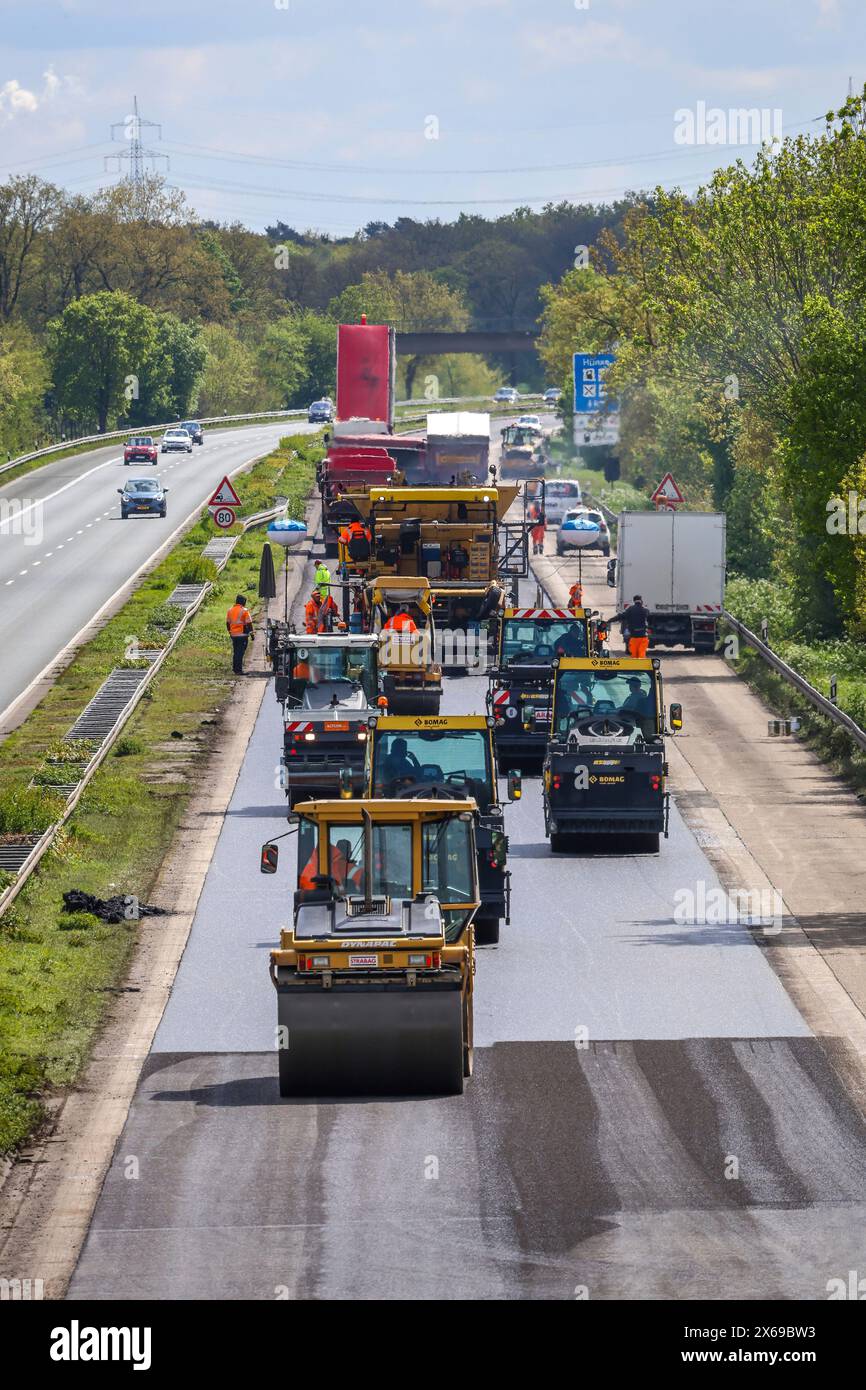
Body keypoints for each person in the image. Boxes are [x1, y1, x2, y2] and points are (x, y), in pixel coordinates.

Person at [612, 594, 651, 659]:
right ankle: (641, 667)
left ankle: (635, 667)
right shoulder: (645, 610)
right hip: (643, 637)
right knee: (641, 655)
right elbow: (649, 619)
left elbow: (620, 617)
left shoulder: (630, 610)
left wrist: (609, 620)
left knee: (634, 656)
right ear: (641, 601)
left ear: (634, 601)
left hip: (634, 638)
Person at [226, 594, 253, 674]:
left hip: (234, 635)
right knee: (240, 653)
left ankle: (235, 669)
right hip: (242, 635)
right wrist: (252, 634)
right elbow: (249, 623)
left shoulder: (230, 610)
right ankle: (239, 670)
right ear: (243, 602)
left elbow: (227, 623)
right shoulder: (244, 610)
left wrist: (230, 632)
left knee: (236, 652)